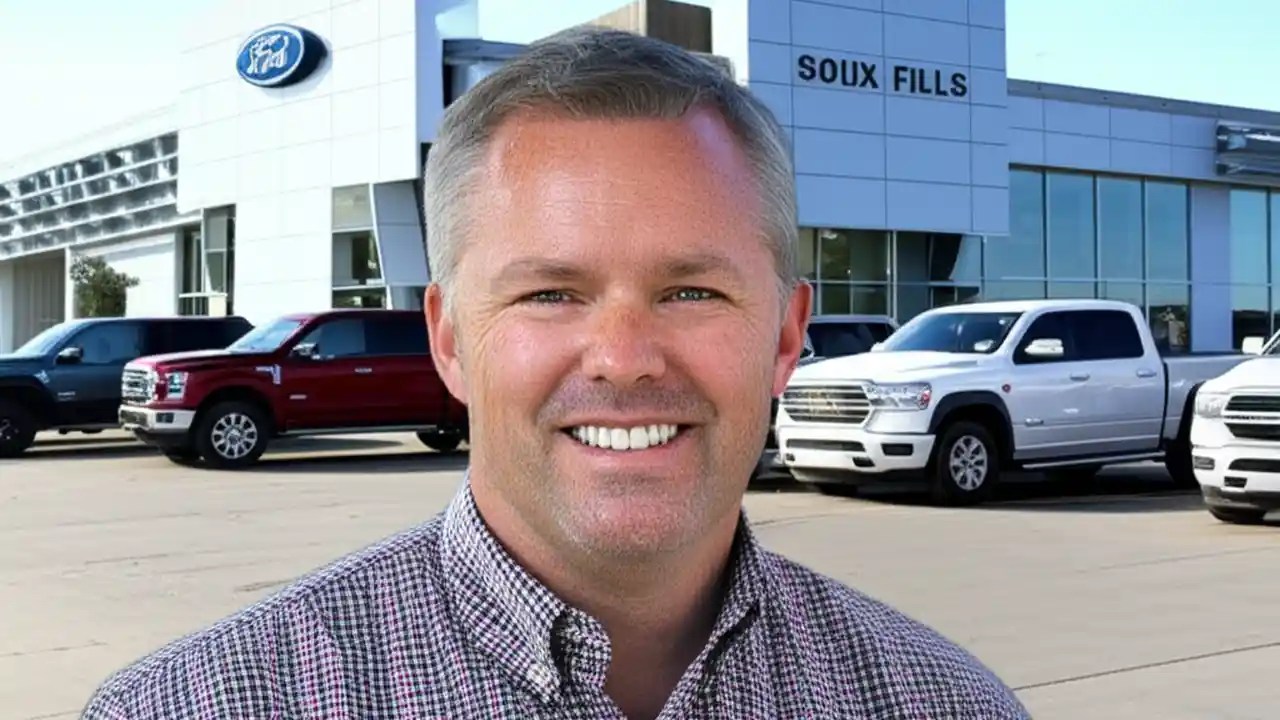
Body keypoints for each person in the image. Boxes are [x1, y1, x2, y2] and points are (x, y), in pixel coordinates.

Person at [81, 26, 1030, 720]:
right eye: (550, 294)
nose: (624, 358)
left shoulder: (944, 704)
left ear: (786, 337)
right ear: (450, 341)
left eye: (692, 293)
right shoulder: (204, 706)